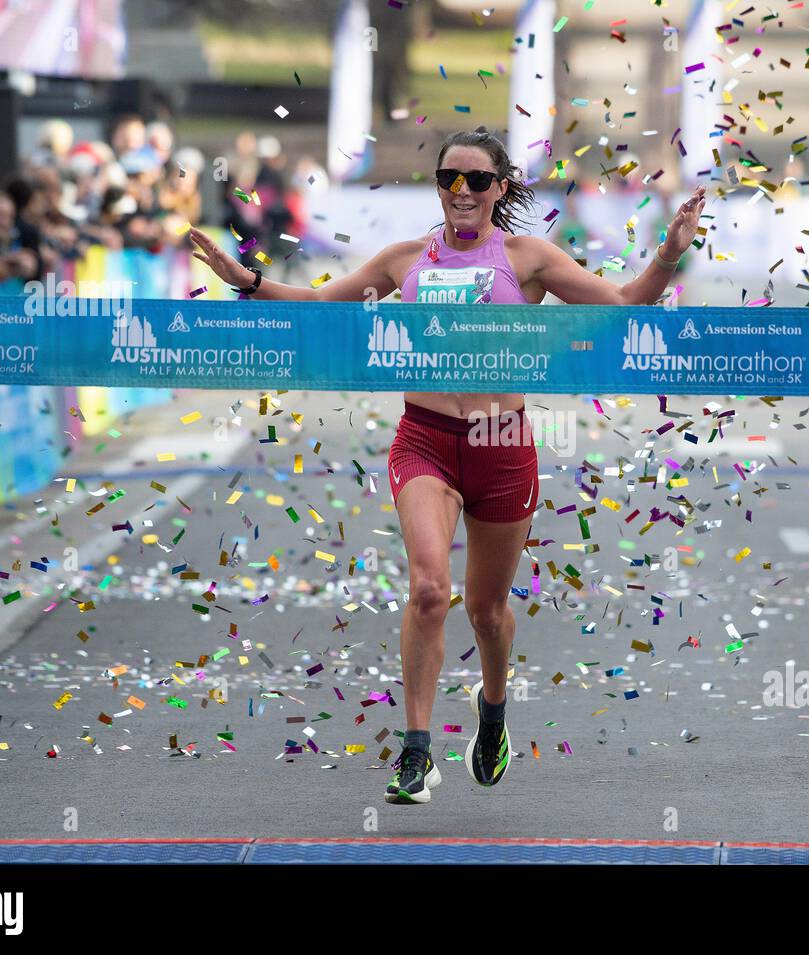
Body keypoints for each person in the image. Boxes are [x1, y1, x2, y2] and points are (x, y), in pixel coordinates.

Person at [190, 125, 706, 805]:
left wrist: (668, 255)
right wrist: (248, 280)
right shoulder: (404, 261)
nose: (461, 191)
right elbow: (320, 305)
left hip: (501, 445)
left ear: (500, 188)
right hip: (425, 440)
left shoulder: (529, 260)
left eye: (476, 180)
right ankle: (415, 750)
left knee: (488, 610)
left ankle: (493, 715)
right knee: (430, 590)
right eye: (448, 179)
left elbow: (625, 308)